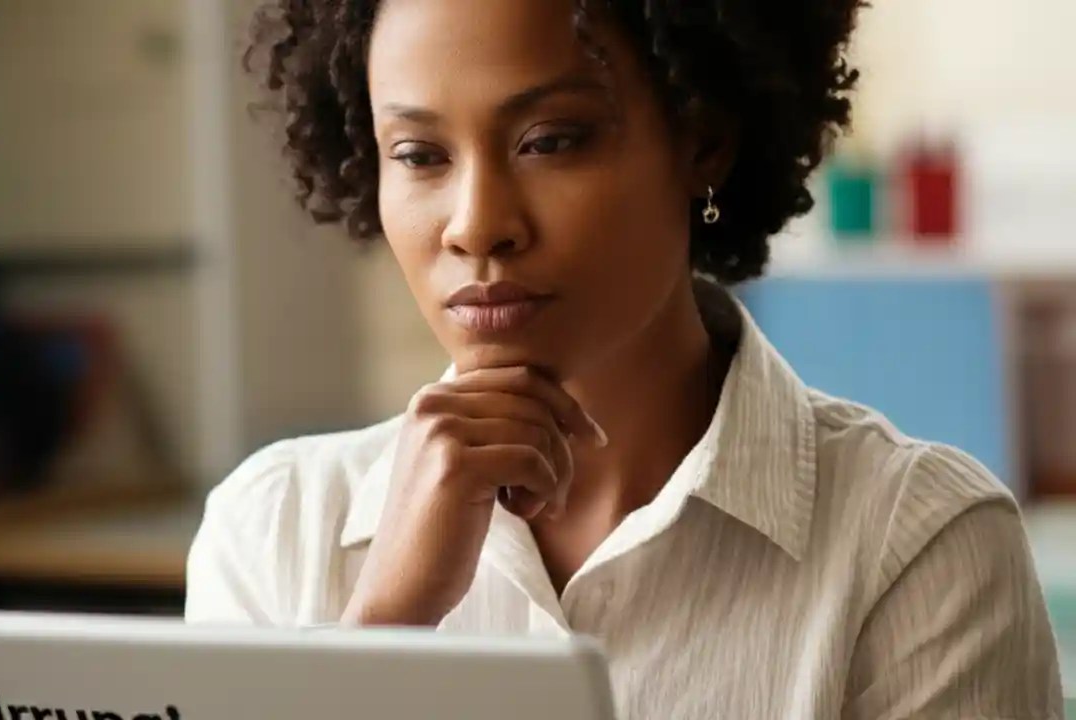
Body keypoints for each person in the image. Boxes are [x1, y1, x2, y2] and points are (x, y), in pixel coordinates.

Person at [186, 0, 1065, 717]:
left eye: (550, 141)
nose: (475, 223)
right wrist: (381, 630)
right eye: (419, 155)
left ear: (704, 141)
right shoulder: (274, 534)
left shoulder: (918, 552)